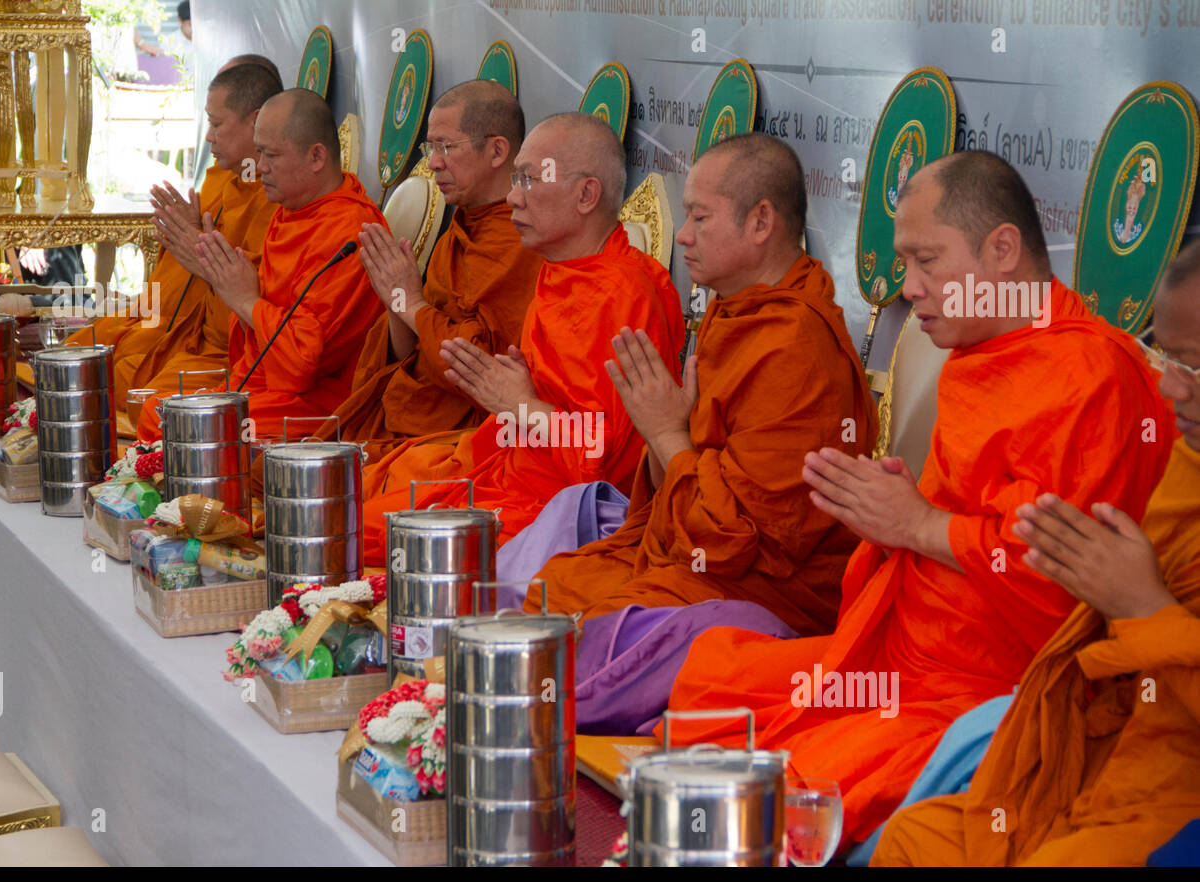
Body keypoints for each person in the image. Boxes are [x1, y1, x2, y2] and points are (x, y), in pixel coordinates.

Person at [660, 150, 1178, 852]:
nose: (910, 287)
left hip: (982, 683)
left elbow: (1066, 593)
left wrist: (920, 526)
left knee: (798, 787)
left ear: (1002, 250)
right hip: (905, 650)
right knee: (713, 677)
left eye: (926, 261)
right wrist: (894, 517)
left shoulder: (1087, 377)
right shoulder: (992, 348)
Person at [504, 133, 876, 733]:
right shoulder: (734, 315)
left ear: (761, 222)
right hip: (691, 556)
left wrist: (666, 431)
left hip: (765, 593)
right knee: (557, 587)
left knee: (590, 640)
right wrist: (667, 435)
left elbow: (737, 539)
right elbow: (675, 499)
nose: (682, 234)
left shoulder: (795, 348)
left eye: (700, 217)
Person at [871, 242, 1200, 866]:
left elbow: (1068, 608)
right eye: (1167, 358)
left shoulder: (1089, 373)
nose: (1173, 389)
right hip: (1093, 749)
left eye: (1196, 368)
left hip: (1172, 794)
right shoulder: (1189, 459)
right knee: (914, 839)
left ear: (999, 250)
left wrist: (1142, 606)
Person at [352, 112, 685, 564]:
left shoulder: (621, 297)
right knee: (362, 492)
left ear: (586, 194)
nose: (512, 197)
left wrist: (519, 405)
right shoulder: (563, 268)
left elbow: (601, 457)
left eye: (528, 180)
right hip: (509, 464)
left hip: (560, 508)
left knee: (362, 532)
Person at [293, 80, 542, 463]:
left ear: (497, 151)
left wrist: (411, 305)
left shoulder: (522, 244)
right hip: (411, 415)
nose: (433, 161)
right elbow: (408, 352)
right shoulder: (461, 229)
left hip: (468, 435)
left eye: (447, 147)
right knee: (289, 471)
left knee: (334, 489)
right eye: (431, 147)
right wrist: (396, 302)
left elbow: (480, 374)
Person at [136, 88, 387, 443]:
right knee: (159, 412)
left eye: (271, 155)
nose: (261, 167)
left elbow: (302, 363)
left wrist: (245, 300)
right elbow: (257, 333)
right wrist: (218, 272)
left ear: (316, 157)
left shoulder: (348, 232)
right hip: (267, 383)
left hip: (321, 399)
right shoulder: (290, 213)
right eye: (259, 153)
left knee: (184, 428)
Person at [59, 56, 280, 410]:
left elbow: (241, 321)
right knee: (74, 355)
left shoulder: (276, 199)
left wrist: (207, 265)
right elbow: (178, 280)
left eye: (216, 123)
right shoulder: (228, 180)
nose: (208, 136)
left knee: (116, 386)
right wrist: (187, 240)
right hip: (166, 320)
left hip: (215, 348)